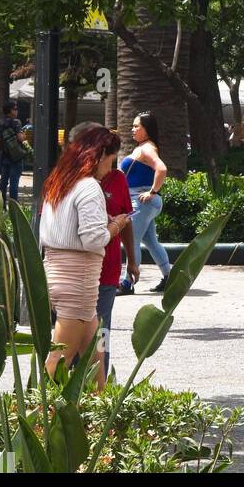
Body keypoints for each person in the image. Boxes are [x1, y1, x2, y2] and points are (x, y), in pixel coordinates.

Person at [39, 125, 132, 387]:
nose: (111, 169)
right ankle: (36, 422)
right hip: (79, 281)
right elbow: (93, 240)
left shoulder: (60, 180)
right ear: (101, 155)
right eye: (111, 161)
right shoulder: (90, 187)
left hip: (60, 273)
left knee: (95, 357)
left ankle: (100, 410)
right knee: (59, 360)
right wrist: (115, 226)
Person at [68, 122, 139, 382]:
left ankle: (99, 389)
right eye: (110, 156)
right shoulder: (73, 182)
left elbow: (127, 220)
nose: (112, 162)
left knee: (102, 333)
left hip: (107, 272)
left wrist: (132, 259)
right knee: (70, 337)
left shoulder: (118, 179)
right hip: (78, 275)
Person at [118, 112, 171, 294]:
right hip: (145, 202)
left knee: (131, 241)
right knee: (150, 241)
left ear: (147, 129)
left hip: (142, 202)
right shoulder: (144, 147)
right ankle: (169, 278)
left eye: (136, 126)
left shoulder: (147, 148)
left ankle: (127, 283)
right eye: (132, 126)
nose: (132, 129)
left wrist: (152, 191)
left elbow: (162, 169)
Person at [0, 100, 29, 205]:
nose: (17, 111)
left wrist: (4, 147)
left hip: (4, 156)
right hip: (16, 157)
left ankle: (0, 204)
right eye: (15, 109)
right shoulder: (16, 122)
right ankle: (14, 206)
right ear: (10, 111)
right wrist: (23, 135)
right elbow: (21, 138)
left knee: (3, 181)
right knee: (14, 182)